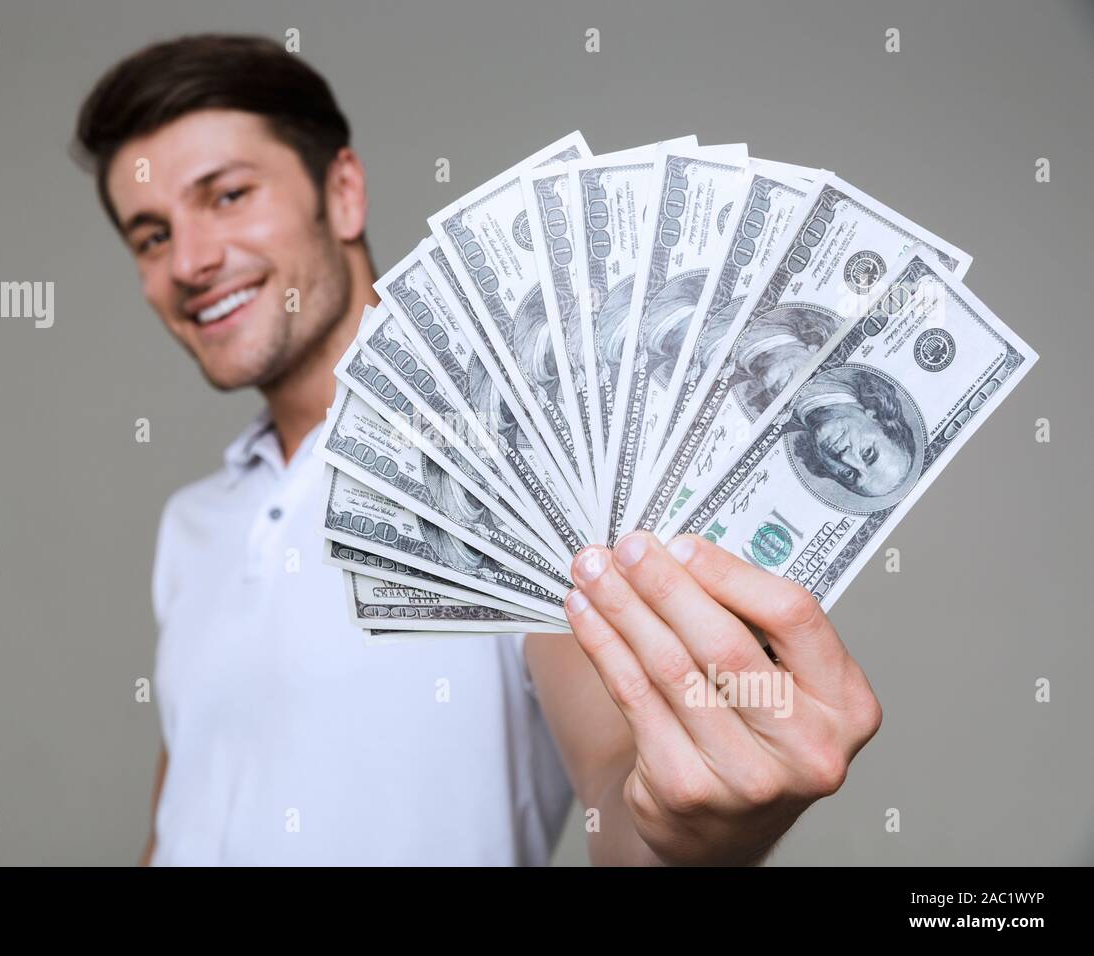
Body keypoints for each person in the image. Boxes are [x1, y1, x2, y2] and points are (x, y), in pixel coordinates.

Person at [72, 33, 882, 866]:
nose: (192, 260)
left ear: (342, 192)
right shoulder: (193, 525)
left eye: (229, 195)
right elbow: (190, 808)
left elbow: (616, 784)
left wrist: (702, 827)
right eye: (151, 237)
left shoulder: (529, 470)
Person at [792, 366, 918, 499]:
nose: (845, 458)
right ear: (876, 417)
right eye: (867, 453)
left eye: (848, 474)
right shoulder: (838, 368)